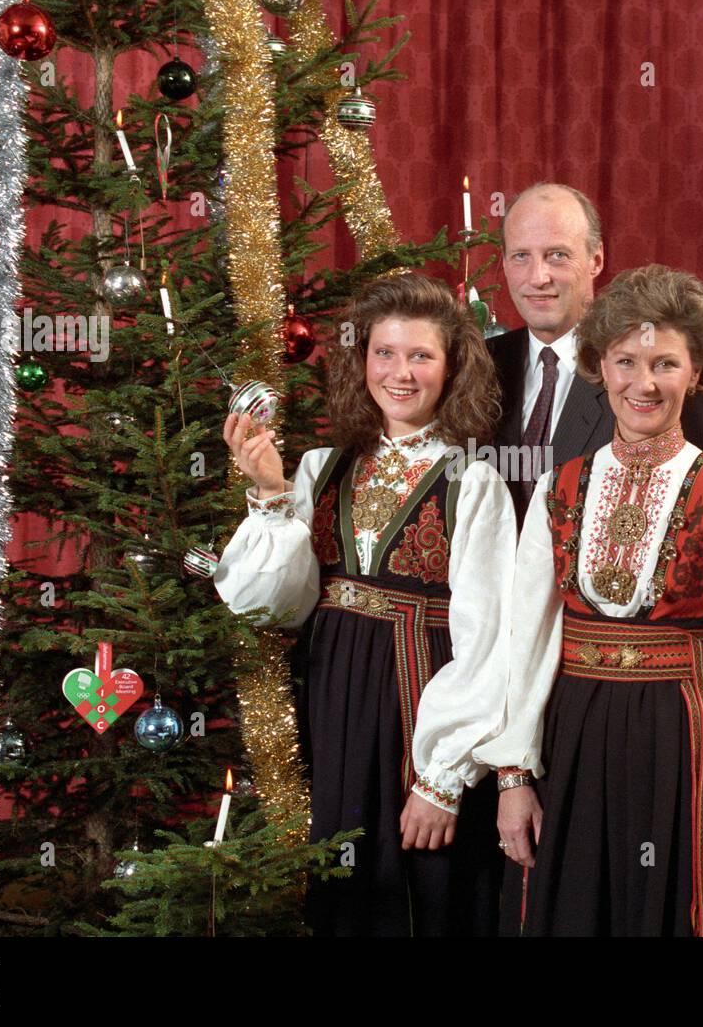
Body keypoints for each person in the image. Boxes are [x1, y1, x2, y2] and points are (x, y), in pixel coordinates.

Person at [475, 264, 703, 936]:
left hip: (685, 739)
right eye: (626, 361)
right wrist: (512, 776)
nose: (643, 383)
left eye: (665, 363)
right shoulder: (556, 489)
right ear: (600, 365)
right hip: (575, 736)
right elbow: (524, 641)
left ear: (697, 372)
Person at [213, 273, 516, 936]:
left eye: (420, 356)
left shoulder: (476, 482)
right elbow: (274, 606)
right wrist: (268, 493)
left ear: (452, 368)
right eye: (385, 353)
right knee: (345, 885)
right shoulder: (321, 467)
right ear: (362, 362)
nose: (399, 373)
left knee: (429, 888)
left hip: (420, 703)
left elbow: (490, 641)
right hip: (334, 696)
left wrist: (443, 777)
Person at [490, 183, 703, 522]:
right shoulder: (481, 363)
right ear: (504, 263)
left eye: (557, 255)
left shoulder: (658, 369)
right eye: (521, 256)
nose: (538, 277)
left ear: (596, 259)